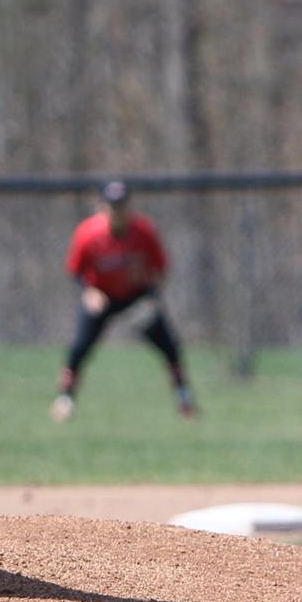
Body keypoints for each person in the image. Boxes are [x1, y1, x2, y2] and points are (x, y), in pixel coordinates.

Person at [51, 180, 196, 423]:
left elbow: (160, 268)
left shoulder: (144, 231)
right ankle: (65, 400)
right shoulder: (88, 233)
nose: (117, 211)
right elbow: (75, 270)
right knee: (80, 348)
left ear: (129, 206)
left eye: (122, 205)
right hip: (101, 296)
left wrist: (152, 298)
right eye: (112, 205)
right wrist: (88, 292)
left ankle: (184, 400)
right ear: (102, 207)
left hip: (136, 296)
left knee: (170, 347)